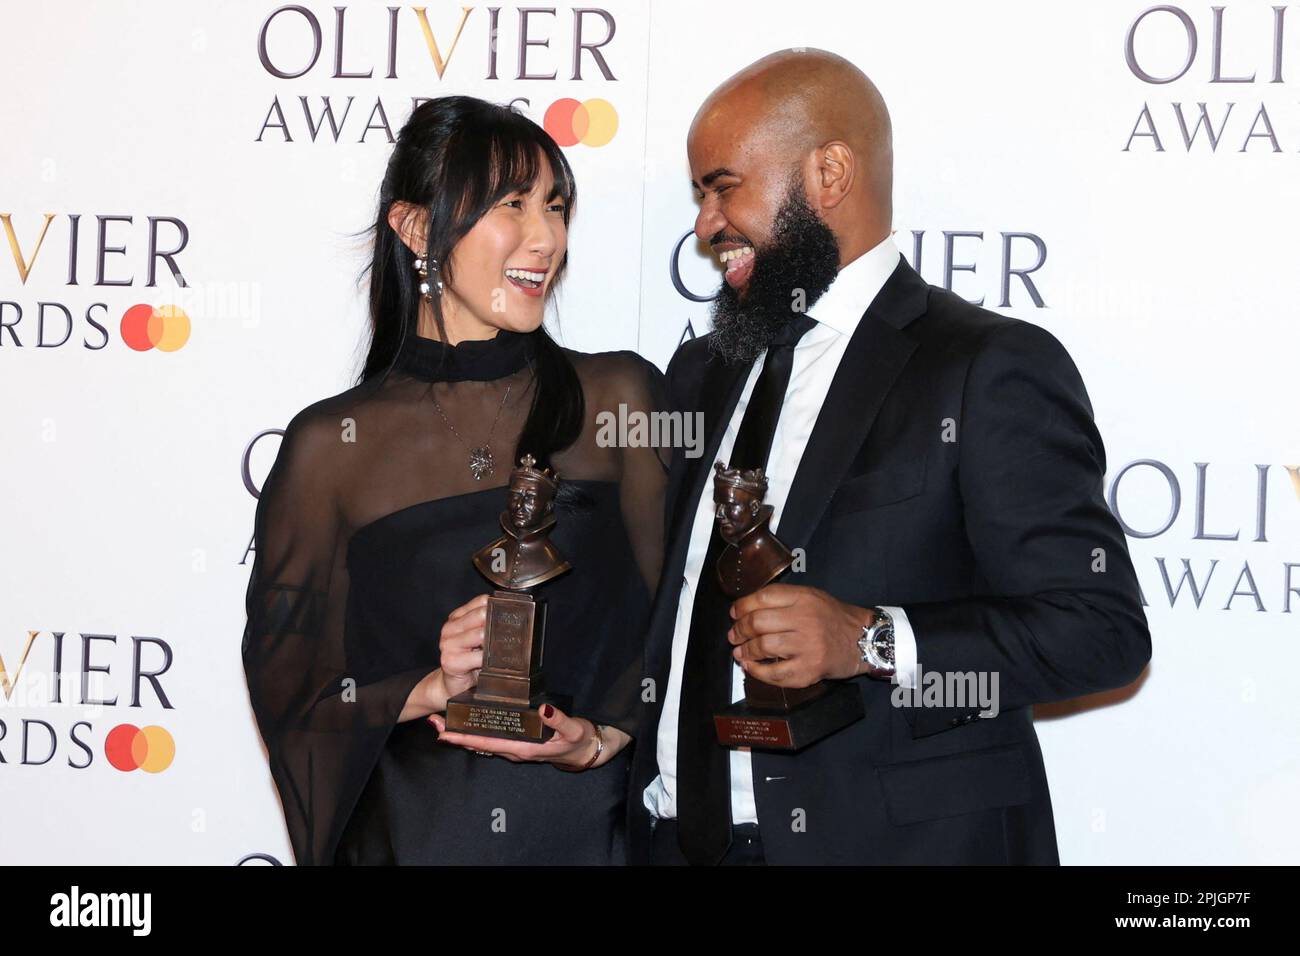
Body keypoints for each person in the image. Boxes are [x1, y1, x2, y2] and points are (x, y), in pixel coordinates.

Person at [630, 49, 1152, 865]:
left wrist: (870, 640)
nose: (704, 226)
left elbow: (1100, 632)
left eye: (723, 187)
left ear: (829, 172)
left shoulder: (985, 367)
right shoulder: (703, 373)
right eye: (702, 194)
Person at [241, 95, 669, 865]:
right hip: (417, 837)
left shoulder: (621, 398)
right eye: (512, 204)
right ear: (415, 230)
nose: (546, 238)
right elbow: (291, 686)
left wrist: (602, 738)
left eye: (556, 205)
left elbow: (682, 616)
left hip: (592, 834)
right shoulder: (330, 447)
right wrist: (428, 687)